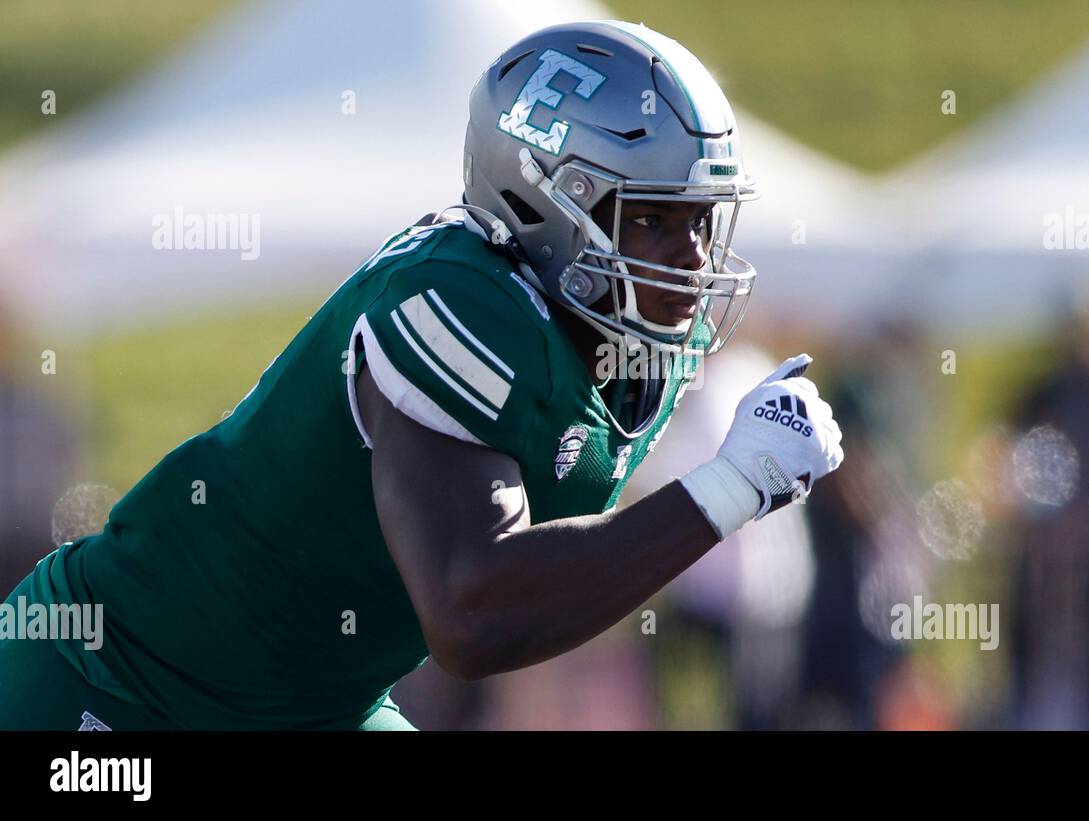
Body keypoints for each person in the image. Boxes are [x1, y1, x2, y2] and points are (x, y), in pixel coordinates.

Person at [0, 20, 843, 730]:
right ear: (547, 203)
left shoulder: (646, 345)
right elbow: (475, 611)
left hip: (318, 704)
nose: (692, 260)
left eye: (703, 221)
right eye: (655, 219)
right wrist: (732, 487)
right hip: (124, 682)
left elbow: (556, 580)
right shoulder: (459, 301)